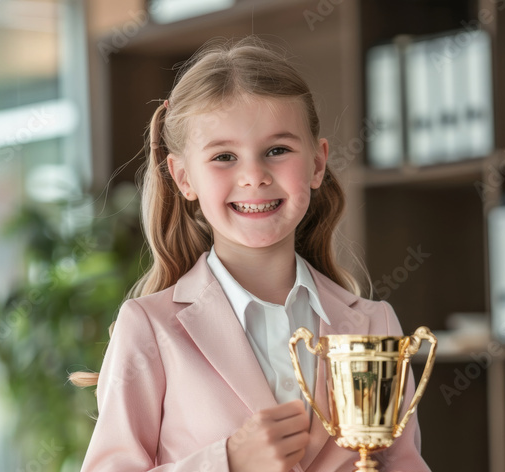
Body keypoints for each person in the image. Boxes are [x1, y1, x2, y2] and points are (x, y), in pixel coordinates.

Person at [71, 36, 431, 472]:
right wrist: (229, 462)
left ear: (317, 164)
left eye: (277, 151)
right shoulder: (149, 328)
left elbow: (403, 463)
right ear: (184, 178)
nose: (254, 177)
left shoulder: (375, 324)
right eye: (224, 156)